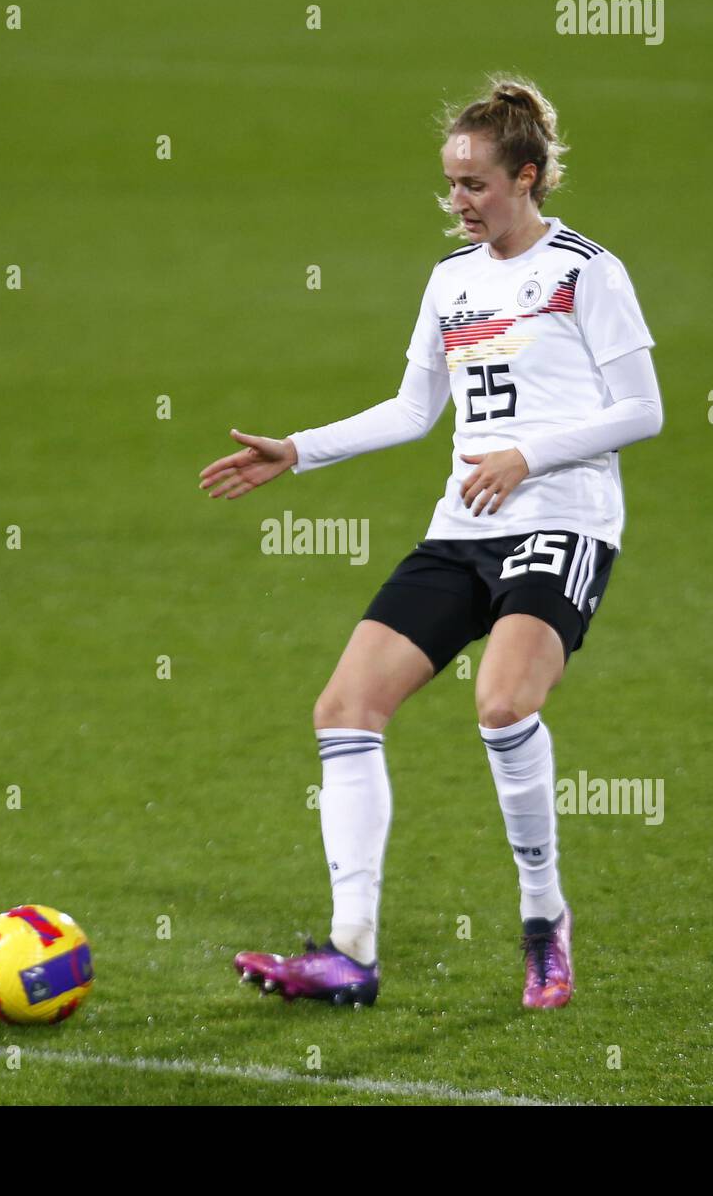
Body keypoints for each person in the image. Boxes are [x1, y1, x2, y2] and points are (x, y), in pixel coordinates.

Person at [198, 75, 662, 1009]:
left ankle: (543, 922)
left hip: (561, 522)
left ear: (526, 177)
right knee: (344, 706)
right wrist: (298, 451)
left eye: (476, 185)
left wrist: (527, 457)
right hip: (463, 530)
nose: (458, 201)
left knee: (500, 704)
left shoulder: (586, 272)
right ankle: (350, 952)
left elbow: (643, 412)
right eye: (451, 184)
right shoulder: (450, 281)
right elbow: (416, 411)